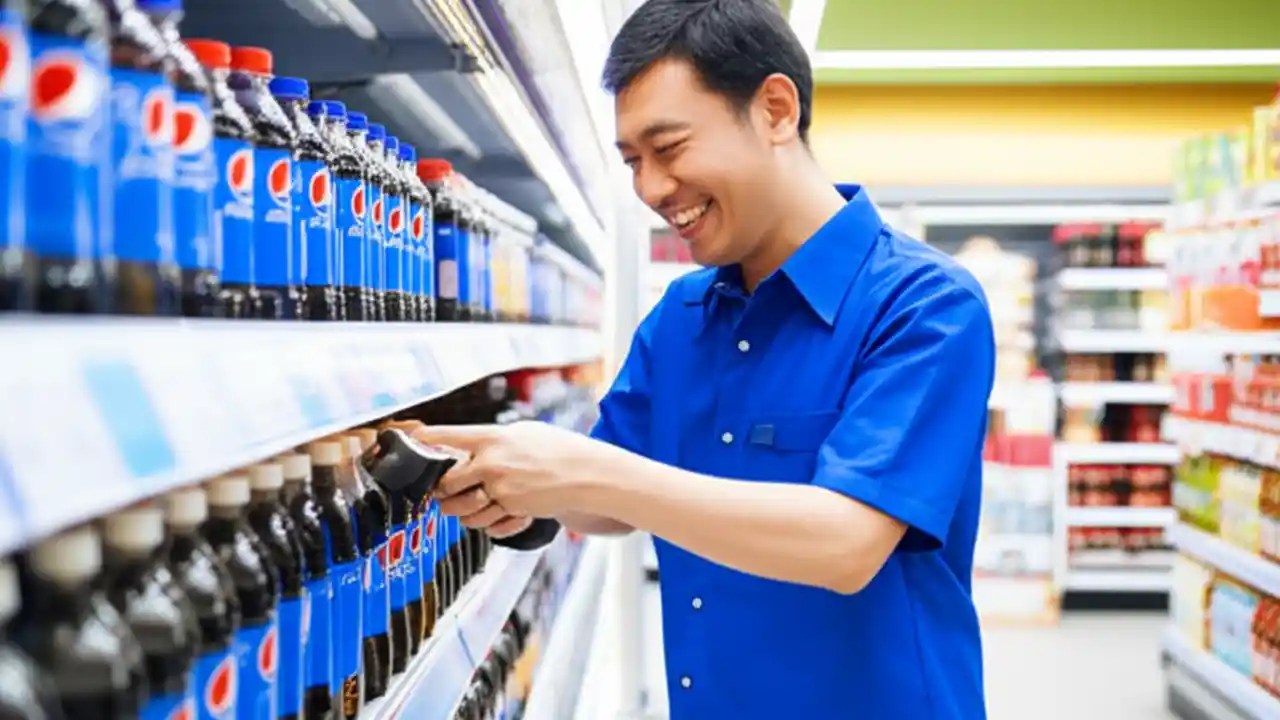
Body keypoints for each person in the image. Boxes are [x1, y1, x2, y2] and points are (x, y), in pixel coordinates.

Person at [419, 1, 994, 717]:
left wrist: (588, 472)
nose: (652, 189)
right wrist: (506, 480)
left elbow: (845, 544)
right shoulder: (681, 318)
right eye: (632, 162)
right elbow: (608, 504)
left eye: (670, 148)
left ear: (775, 110)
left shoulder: (924, 305)